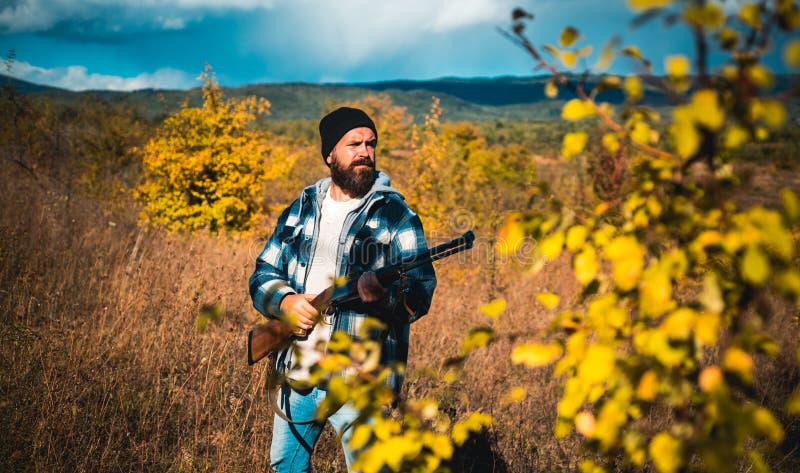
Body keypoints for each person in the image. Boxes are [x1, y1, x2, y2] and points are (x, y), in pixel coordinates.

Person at [249, 106, 437, 472]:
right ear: (329, 154)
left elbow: (420, 293)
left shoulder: (396, 215)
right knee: (285, 466)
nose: (365, 152)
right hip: (298, 375)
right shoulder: (301, 209)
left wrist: (385, 297)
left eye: (371, 143)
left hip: (360, 383)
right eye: (354, 144)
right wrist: (285, 302)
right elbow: (263, 273)